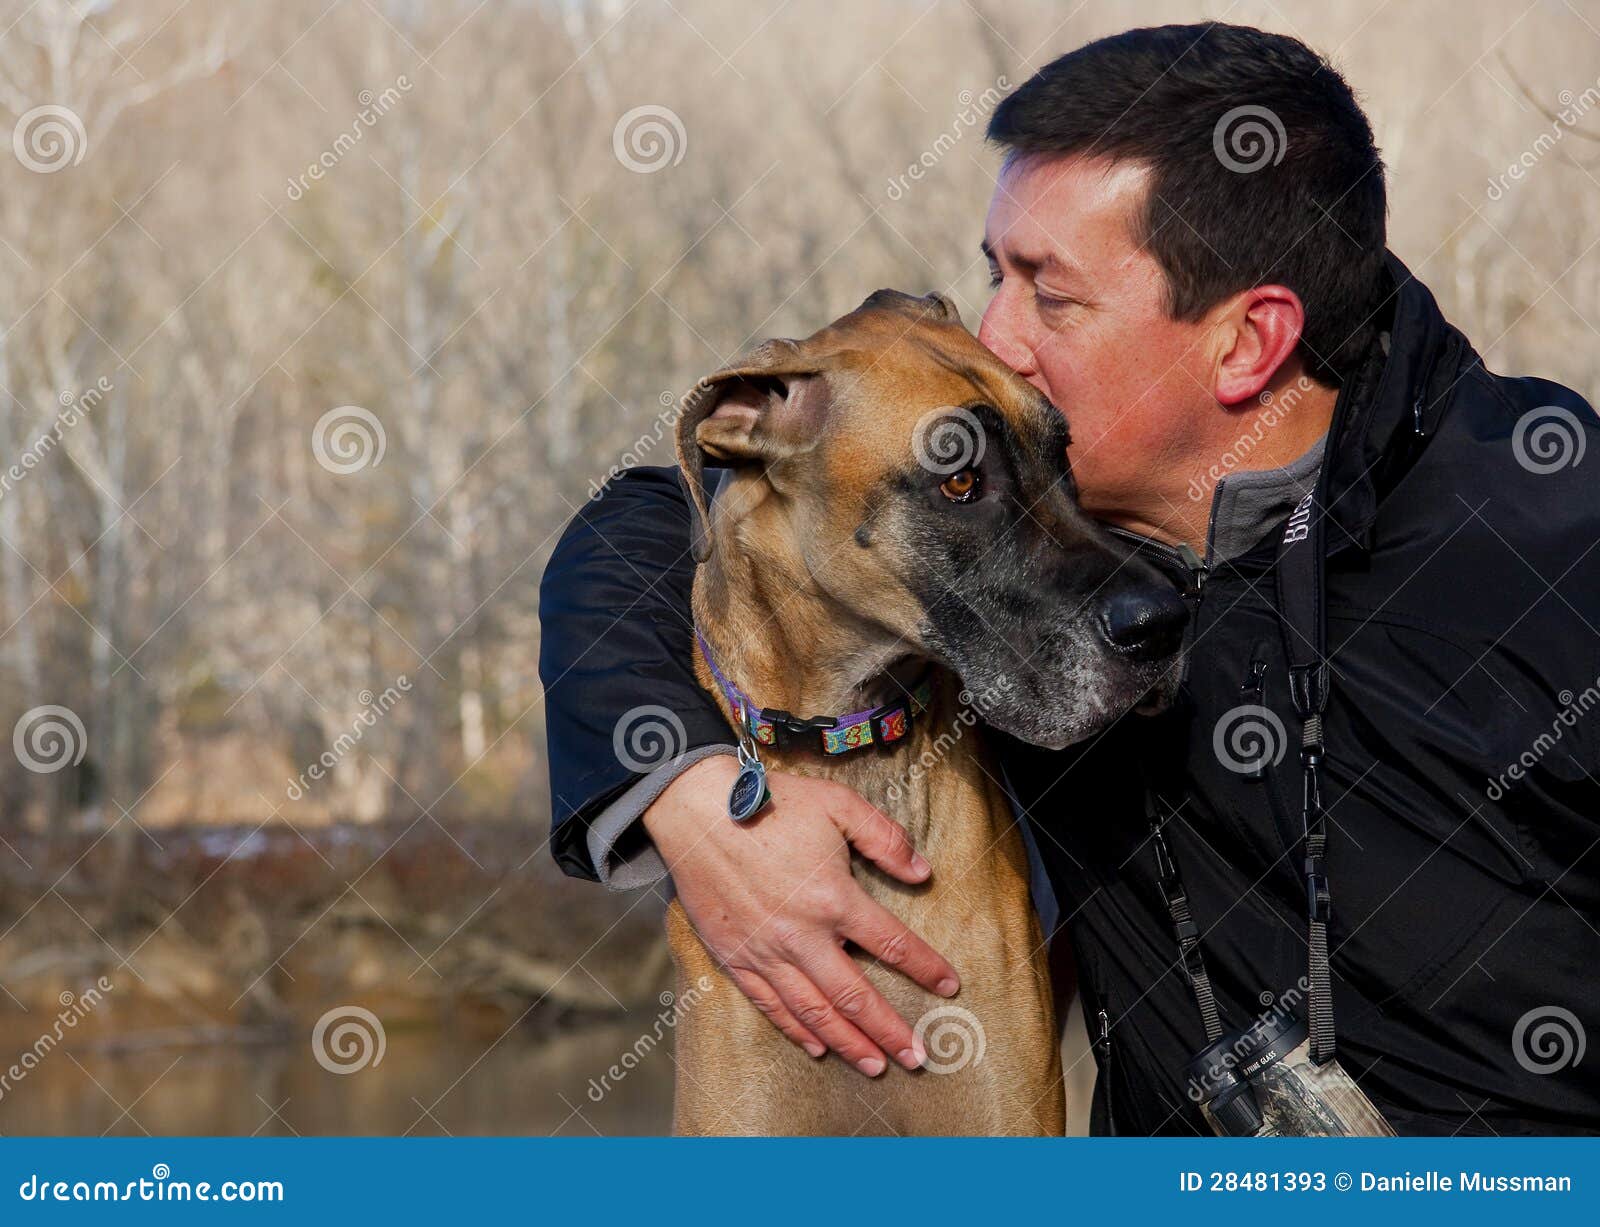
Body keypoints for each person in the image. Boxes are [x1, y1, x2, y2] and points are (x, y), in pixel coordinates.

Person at [538, 23, 1600, 1134]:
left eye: (1051, 295)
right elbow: (659, 514)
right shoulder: (1039, 533)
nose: (996, 338)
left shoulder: (1553, 548)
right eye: (992, 273)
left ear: (1248, 343)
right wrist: (686, 792)